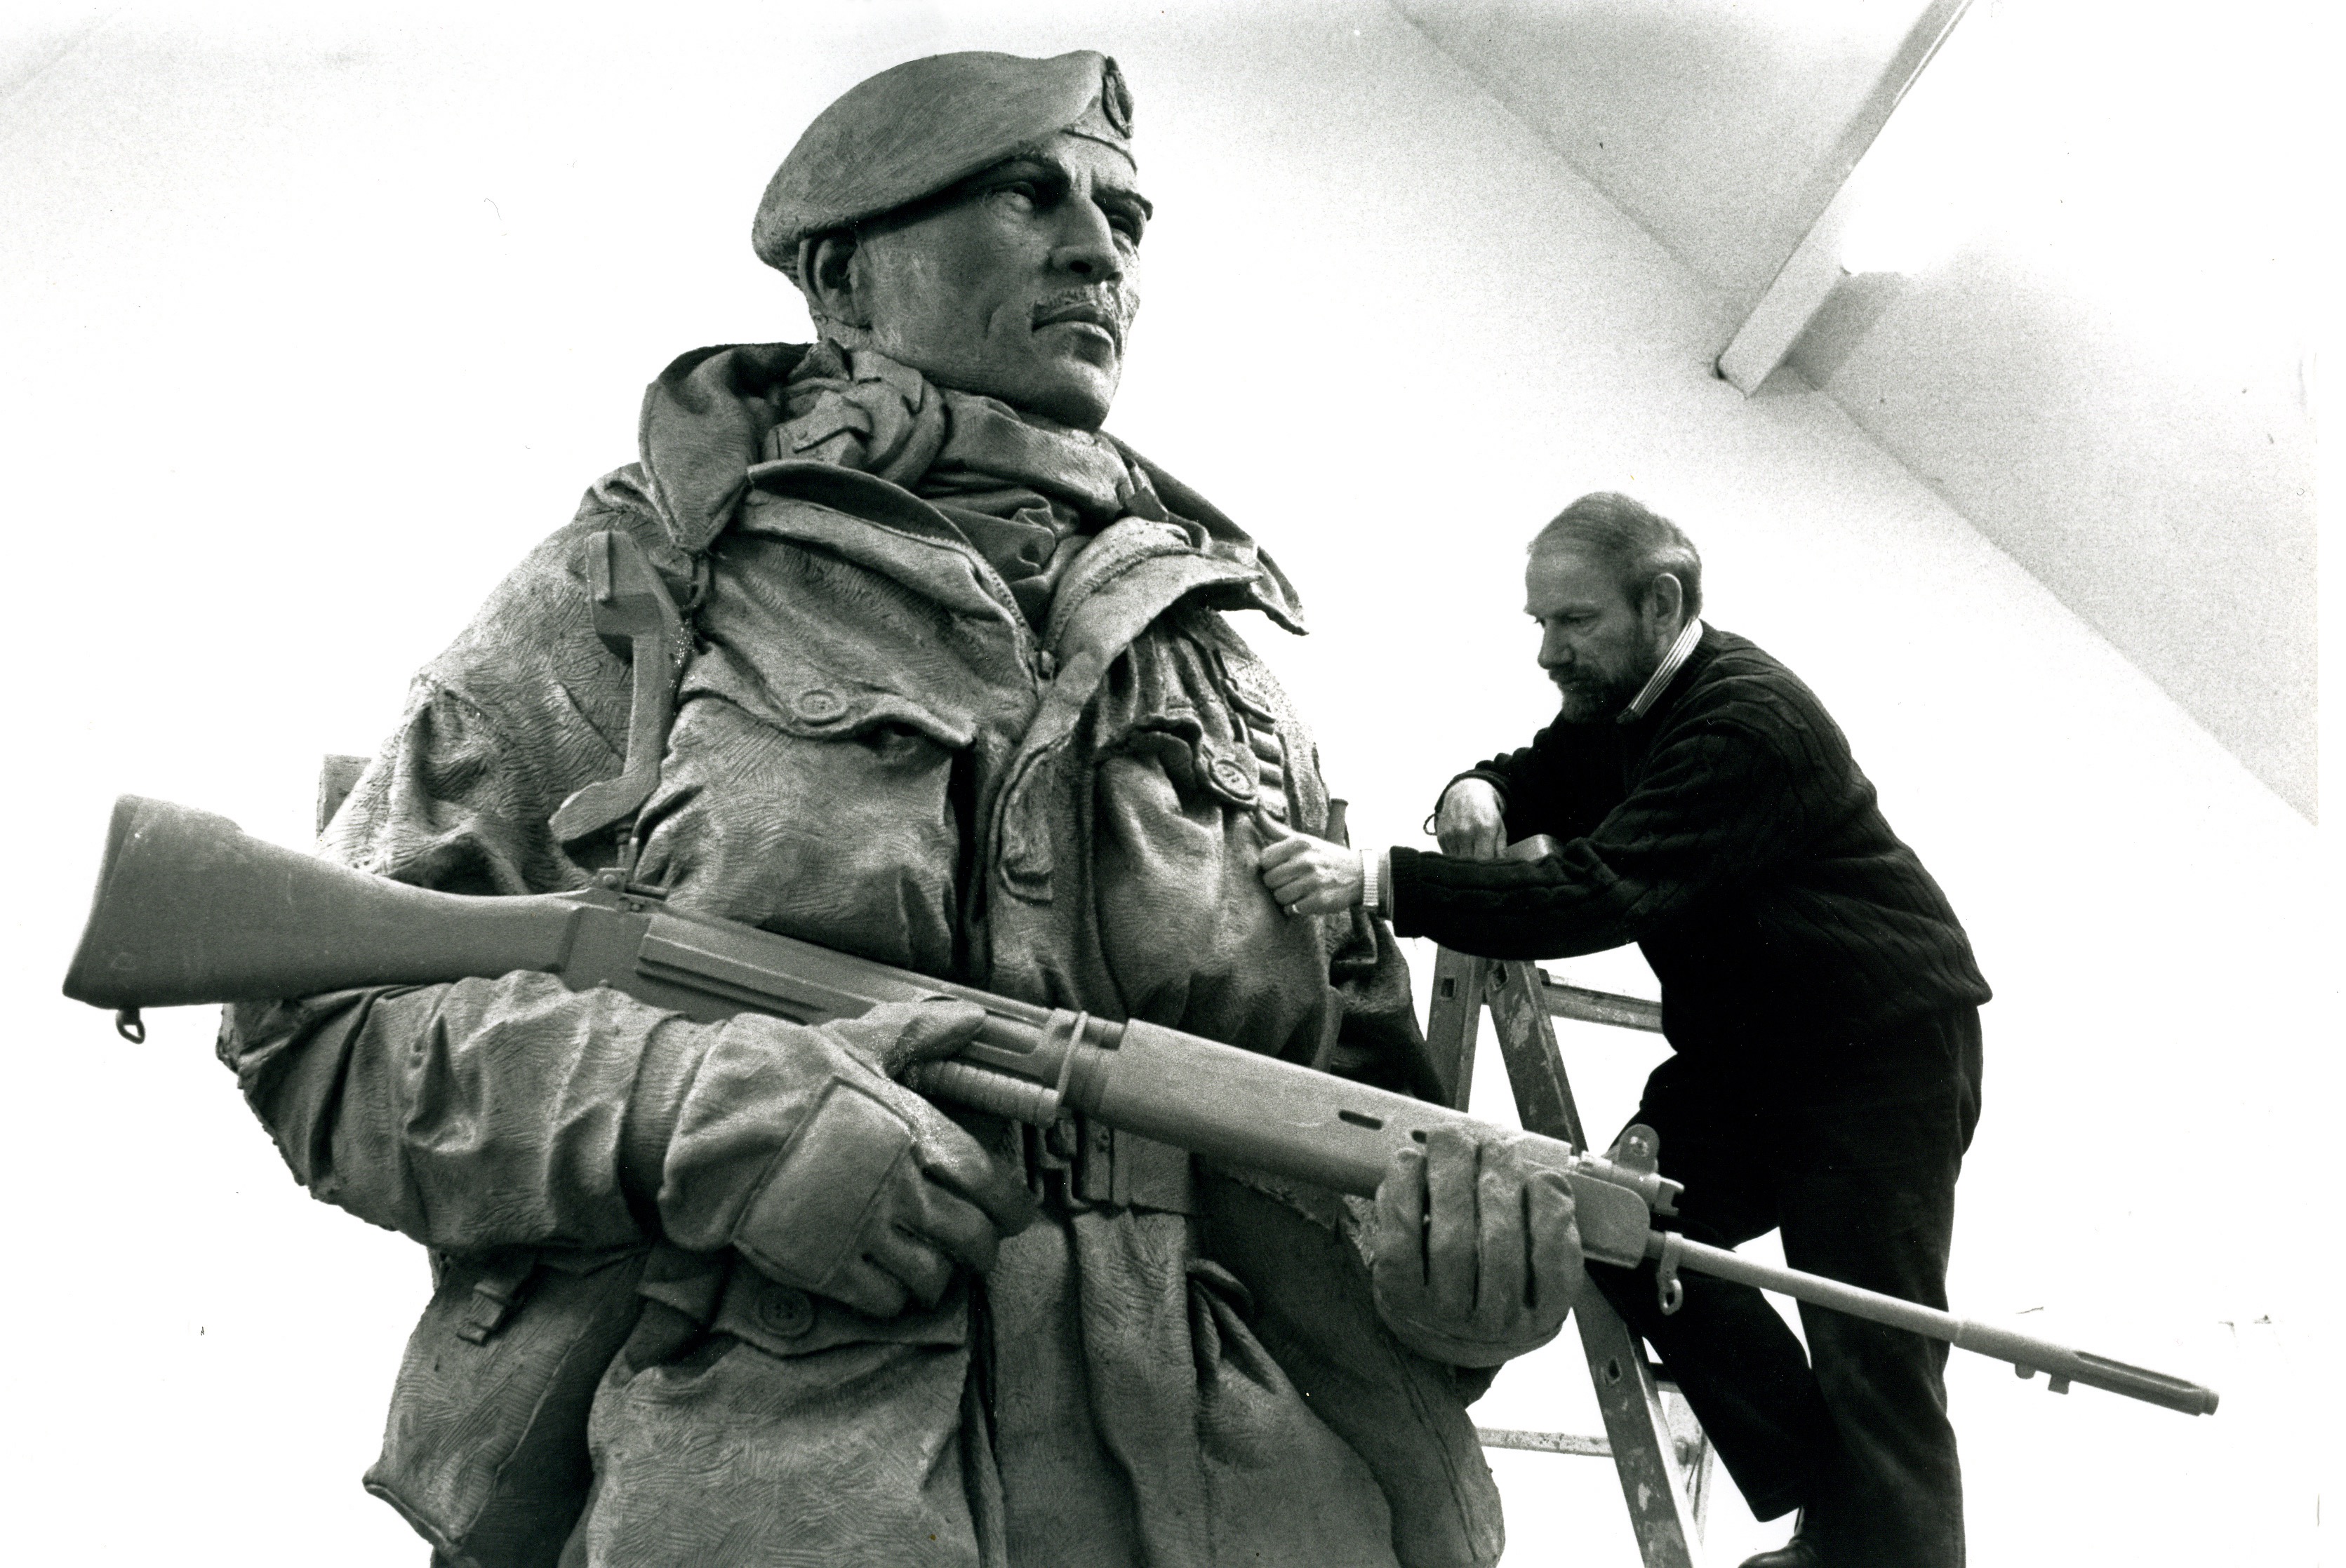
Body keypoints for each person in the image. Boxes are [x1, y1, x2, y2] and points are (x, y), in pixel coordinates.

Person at [217, 50, 1583, 1568]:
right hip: (781, 1477)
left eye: (1125, 218)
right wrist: (705, 1119)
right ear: (842, 279)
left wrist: (1448, 1285)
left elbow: (1345, 1108)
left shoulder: (1224, 667)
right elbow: (324, 1015)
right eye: (1025, 194)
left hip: (1240, 1498)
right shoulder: (649, 582)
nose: (1094, 247)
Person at [1260, 492, 1992, 1568]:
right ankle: (1828, 1499)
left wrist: (1372, 880)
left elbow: (1592, 896)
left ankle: (1882, 1551)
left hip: (1875, 1051)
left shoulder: (1744, 721)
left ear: (1661, 602)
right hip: (1748, 1059)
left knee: (1876, 1342)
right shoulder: (1624, 705)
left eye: (1573, 622)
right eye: (1539, 624)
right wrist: (1479, 789)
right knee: (1606, 1225)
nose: (1550, 651)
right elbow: (1543, 770)